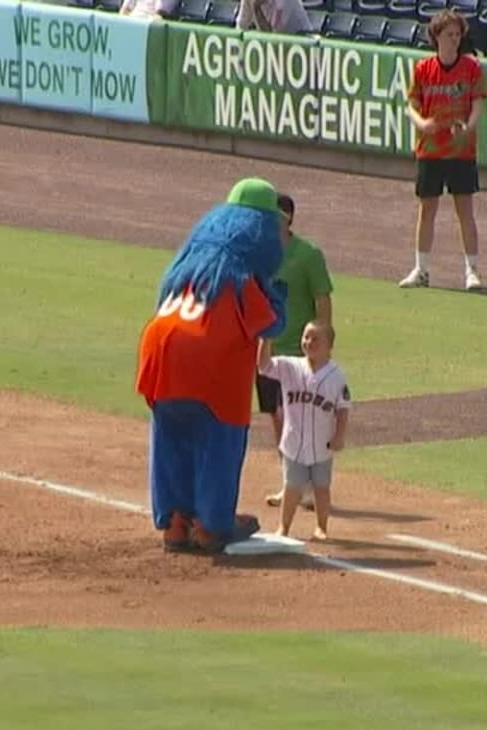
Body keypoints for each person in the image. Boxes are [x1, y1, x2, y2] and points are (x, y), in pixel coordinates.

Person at [136, 178, 288, 554]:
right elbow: (273, 322)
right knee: (218, 441)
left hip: (158, 349)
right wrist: (275, 291)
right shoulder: (238, 276)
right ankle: (210, 524)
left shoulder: (186, 270)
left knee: (171, 438)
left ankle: (174, 522)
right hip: (206, 362)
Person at [398, 9, 487, 293]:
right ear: (436, 36)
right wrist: (423, 123)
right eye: (449, 34)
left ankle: (472, 270)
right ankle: (421, 269)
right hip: (430, 150)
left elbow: (478, 104)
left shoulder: (472, 68)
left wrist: (469, 127)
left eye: (457, 34)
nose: (454, 39)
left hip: (461, 151)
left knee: (465, 210)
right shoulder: (424, 69)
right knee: (427, 210)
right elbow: (411, 105)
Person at [259, 193, 334, 511]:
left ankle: (308, 484)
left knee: (300, 419)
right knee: (277, 419)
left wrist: (323, 343)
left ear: (288, 218)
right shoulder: (260, 254)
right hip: (268, 348)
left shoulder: (308, 255)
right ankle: (290, 483)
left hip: (298, 352)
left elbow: (322, 299)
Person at [257, 322, 350, 542]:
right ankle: (283, 527)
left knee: (321, 487)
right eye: (306, 337)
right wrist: (266, 339)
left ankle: (321, 527)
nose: (309, 342)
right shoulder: (290, 366)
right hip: (294, 441)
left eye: (315, 338)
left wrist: (339, 436)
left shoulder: (337, 375)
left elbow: (343, 409)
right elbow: (264, 367)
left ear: (329, 345)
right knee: (292, 487)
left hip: (322, 443)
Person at [236, 0, 314, 33]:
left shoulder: (286, 2)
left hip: (301, 39)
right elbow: (241, 27)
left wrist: (256, 8)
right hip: (282, 44)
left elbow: (272, 38)